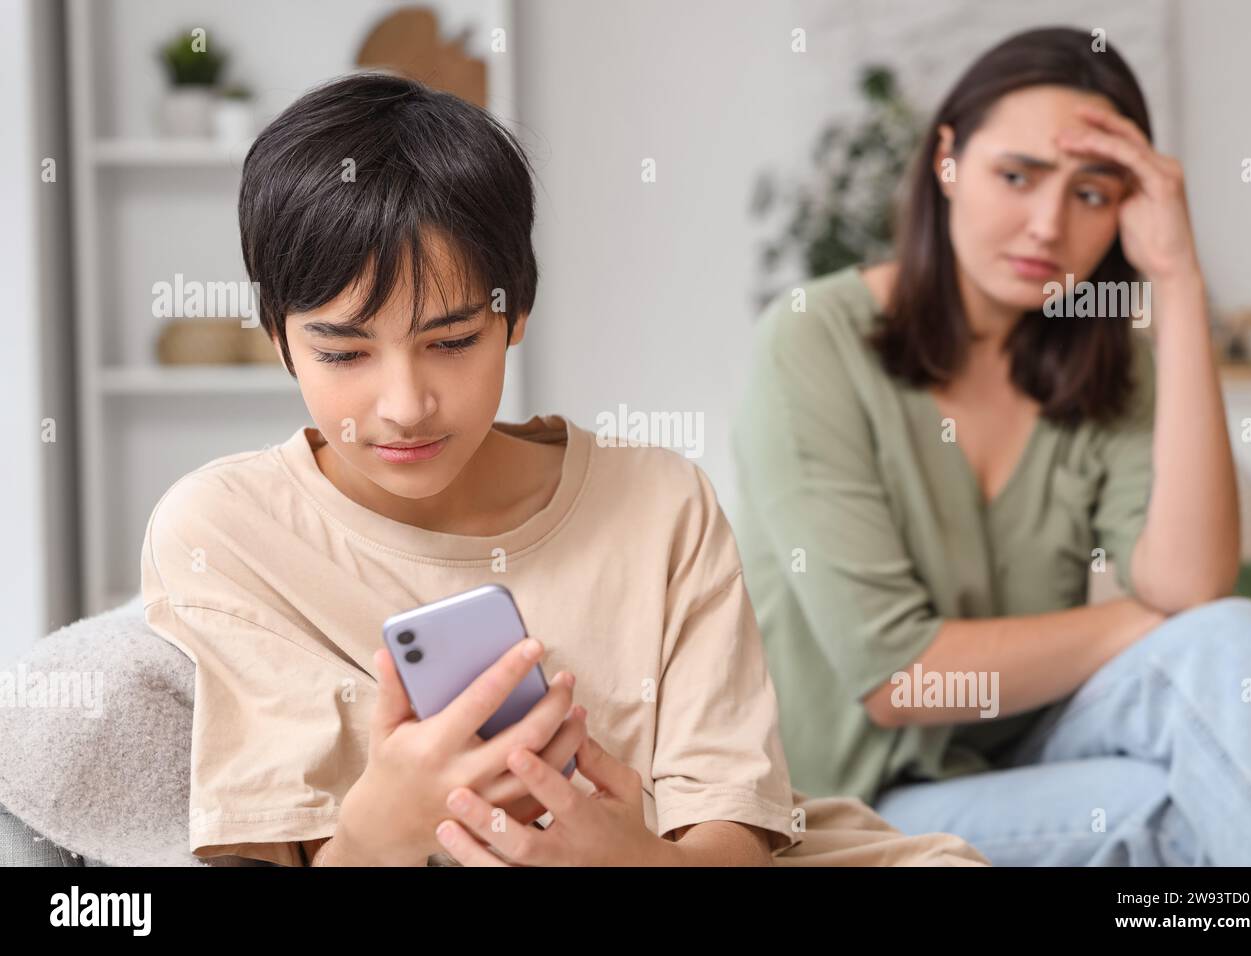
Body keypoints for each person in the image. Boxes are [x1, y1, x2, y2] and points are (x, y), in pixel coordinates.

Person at [140, 71, 986, 867]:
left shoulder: (659, 500)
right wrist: (378, 827)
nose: (403, 404)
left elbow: (735, 824)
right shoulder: (225, 532)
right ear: (278, 335)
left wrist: (638, 860)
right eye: (344, 351)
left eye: (451, 342)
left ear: (516, 313)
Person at [731, 26, 1251, 866]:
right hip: (860, 800)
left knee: (1225, 649)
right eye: (1017, 176)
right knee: (1180, 798)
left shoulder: (1108, 365)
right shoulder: (814, 341)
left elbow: (1189, 582)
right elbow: (902, 678)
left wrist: (1178, 283)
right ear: (947, 160)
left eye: (1094, 194)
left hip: (1039, 746)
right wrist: (1162, 622)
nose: (1048, 226)